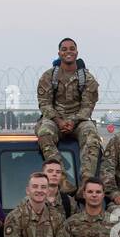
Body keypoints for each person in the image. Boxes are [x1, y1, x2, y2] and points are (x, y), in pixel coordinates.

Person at [35, 37, 101, 186]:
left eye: (72, 49)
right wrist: (59, 121)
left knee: (91, 135)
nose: (68, 52)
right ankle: (62, 180)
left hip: (78, 122)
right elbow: (44, 104)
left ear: (77, 52)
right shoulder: (49, 76)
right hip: (54, 120)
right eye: (64, 49)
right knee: (44, 133)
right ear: (59, 53)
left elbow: (87, 107)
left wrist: (73, 121)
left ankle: (86, 182)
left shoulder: (87, 79)